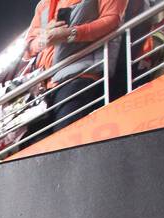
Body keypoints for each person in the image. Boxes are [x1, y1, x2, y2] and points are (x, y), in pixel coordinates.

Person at [24, 0, 129, 135]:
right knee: (38, 148)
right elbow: (28, 48)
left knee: (65, 139)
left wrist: (70, 33)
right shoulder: (44, 4)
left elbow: (112, 20)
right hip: (44, 87)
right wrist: (44, 39)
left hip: (80, 75)